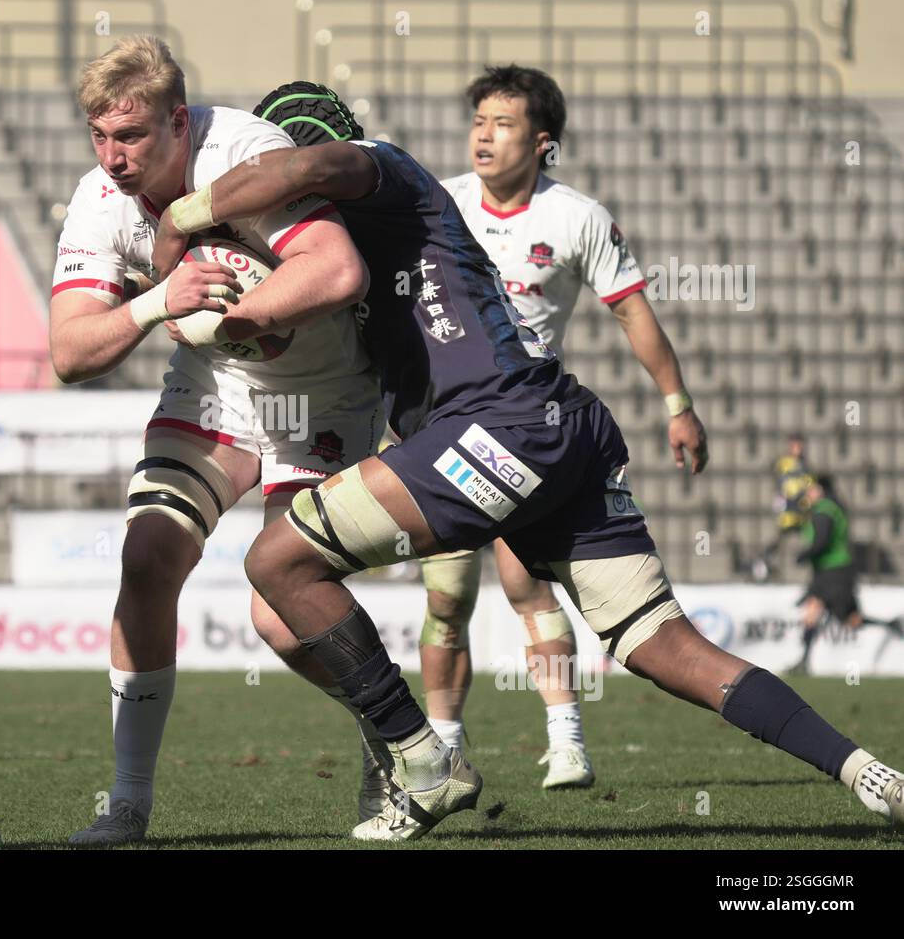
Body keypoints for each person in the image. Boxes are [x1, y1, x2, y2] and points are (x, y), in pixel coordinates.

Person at [151, 85, 904, 840]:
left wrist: (182, 213)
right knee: (663, 644)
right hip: (556, 426)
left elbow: (305, 169)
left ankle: (426, 760)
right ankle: (868, 775)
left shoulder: (379, 168)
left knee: (279, 563)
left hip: (496, 426)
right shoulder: (338, 244)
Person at [48, 37, 385, 845]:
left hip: (322, 393)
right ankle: (127, 803)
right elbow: (69, 352)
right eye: (98, 135)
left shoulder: (246, 153)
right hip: (215, 388)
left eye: (128, 137)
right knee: (147, 554)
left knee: (279, 614)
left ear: (177, 120)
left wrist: (242, 316)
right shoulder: (99, 198)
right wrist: (159, 301)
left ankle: (394, 733)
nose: (112, 157)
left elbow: (339, 272)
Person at [353, 65, 707, 793]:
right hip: (437, 424)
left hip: (525, 425)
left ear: (543, 143)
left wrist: (676, 403)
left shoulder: (576, 217)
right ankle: (444, 751)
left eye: (503, 123)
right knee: (446, 599)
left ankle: (566, 741)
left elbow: (632, 311)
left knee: (528, 586)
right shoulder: (438, 201)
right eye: (478, 120)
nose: (485, 135)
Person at [787, 474, 903, 674]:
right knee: (814, 611)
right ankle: (803, 662)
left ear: (821, 490)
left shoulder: (824, 510)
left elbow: (821, 541)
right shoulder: (831, 508)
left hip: (834, 573)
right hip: (830, 572)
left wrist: (804, 555)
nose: (809, 493)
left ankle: (892, 625)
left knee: (850, 620)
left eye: (812, 489)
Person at [753, 433, 815, 582]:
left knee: (810, 539)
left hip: (802, 511)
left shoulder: (806, 466)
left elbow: (809, 485)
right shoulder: (784, 462)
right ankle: (762, 566)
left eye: (800, 445)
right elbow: (775, 477)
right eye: (795, 445)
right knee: (776, 539)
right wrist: (778, 496)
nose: (798, 448)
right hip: (786, 510)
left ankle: (809, 570)